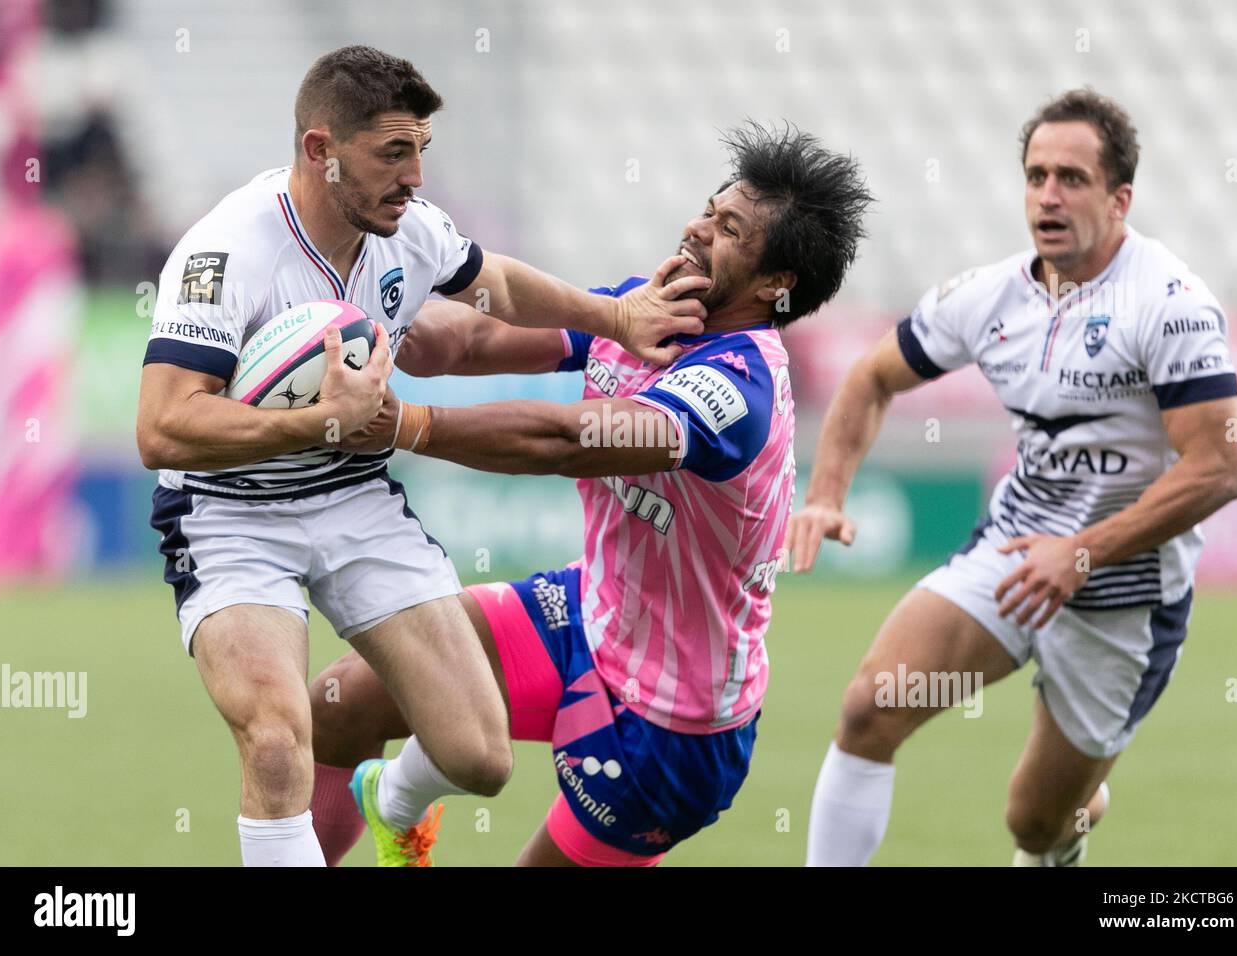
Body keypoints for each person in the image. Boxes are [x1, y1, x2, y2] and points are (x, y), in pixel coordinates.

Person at [135, 45, 705, 867]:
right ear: (320, 152)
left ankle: (389, 802)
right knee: (274, 741)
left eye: (421, 153)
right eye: (392, 154)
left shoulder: (407, 232)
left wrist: (617, 319)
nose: (415, 178)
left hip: (352, 496)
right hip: (230, 514)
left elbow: (496, 288)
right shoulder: (226, 254)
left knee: (480, 758)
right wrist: (320, 422)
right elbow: (162, 428)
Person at [307, 122, 872, 866]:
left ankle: (396, 800)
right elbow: (470, 340)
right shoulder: (650, 313)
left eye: (728, 228)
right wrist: (357, 322)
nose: (698, 229)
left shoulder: (740, 386)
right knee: (338, 705)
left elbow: (569, 440)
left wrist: (403, 425)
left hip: (671, 728)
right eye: (709, 208)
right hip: (586, 614)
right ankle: (393, 807)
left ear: (776, 283)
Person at [789, 89, 1237, 866]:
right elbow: (872, 377)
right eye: (1036, 176)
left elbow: (1220, 468)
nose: (1048, 195)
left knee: (1034, 824)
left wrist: (1080, 554)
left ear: (1119, 198)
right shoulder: (990, 296)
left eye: (1072, 177)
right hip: (1010, 558)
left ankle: (1074, 806)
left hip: (1122, 601)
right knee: (871, 709)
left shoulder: (1171, 305)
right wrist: (826, 493)